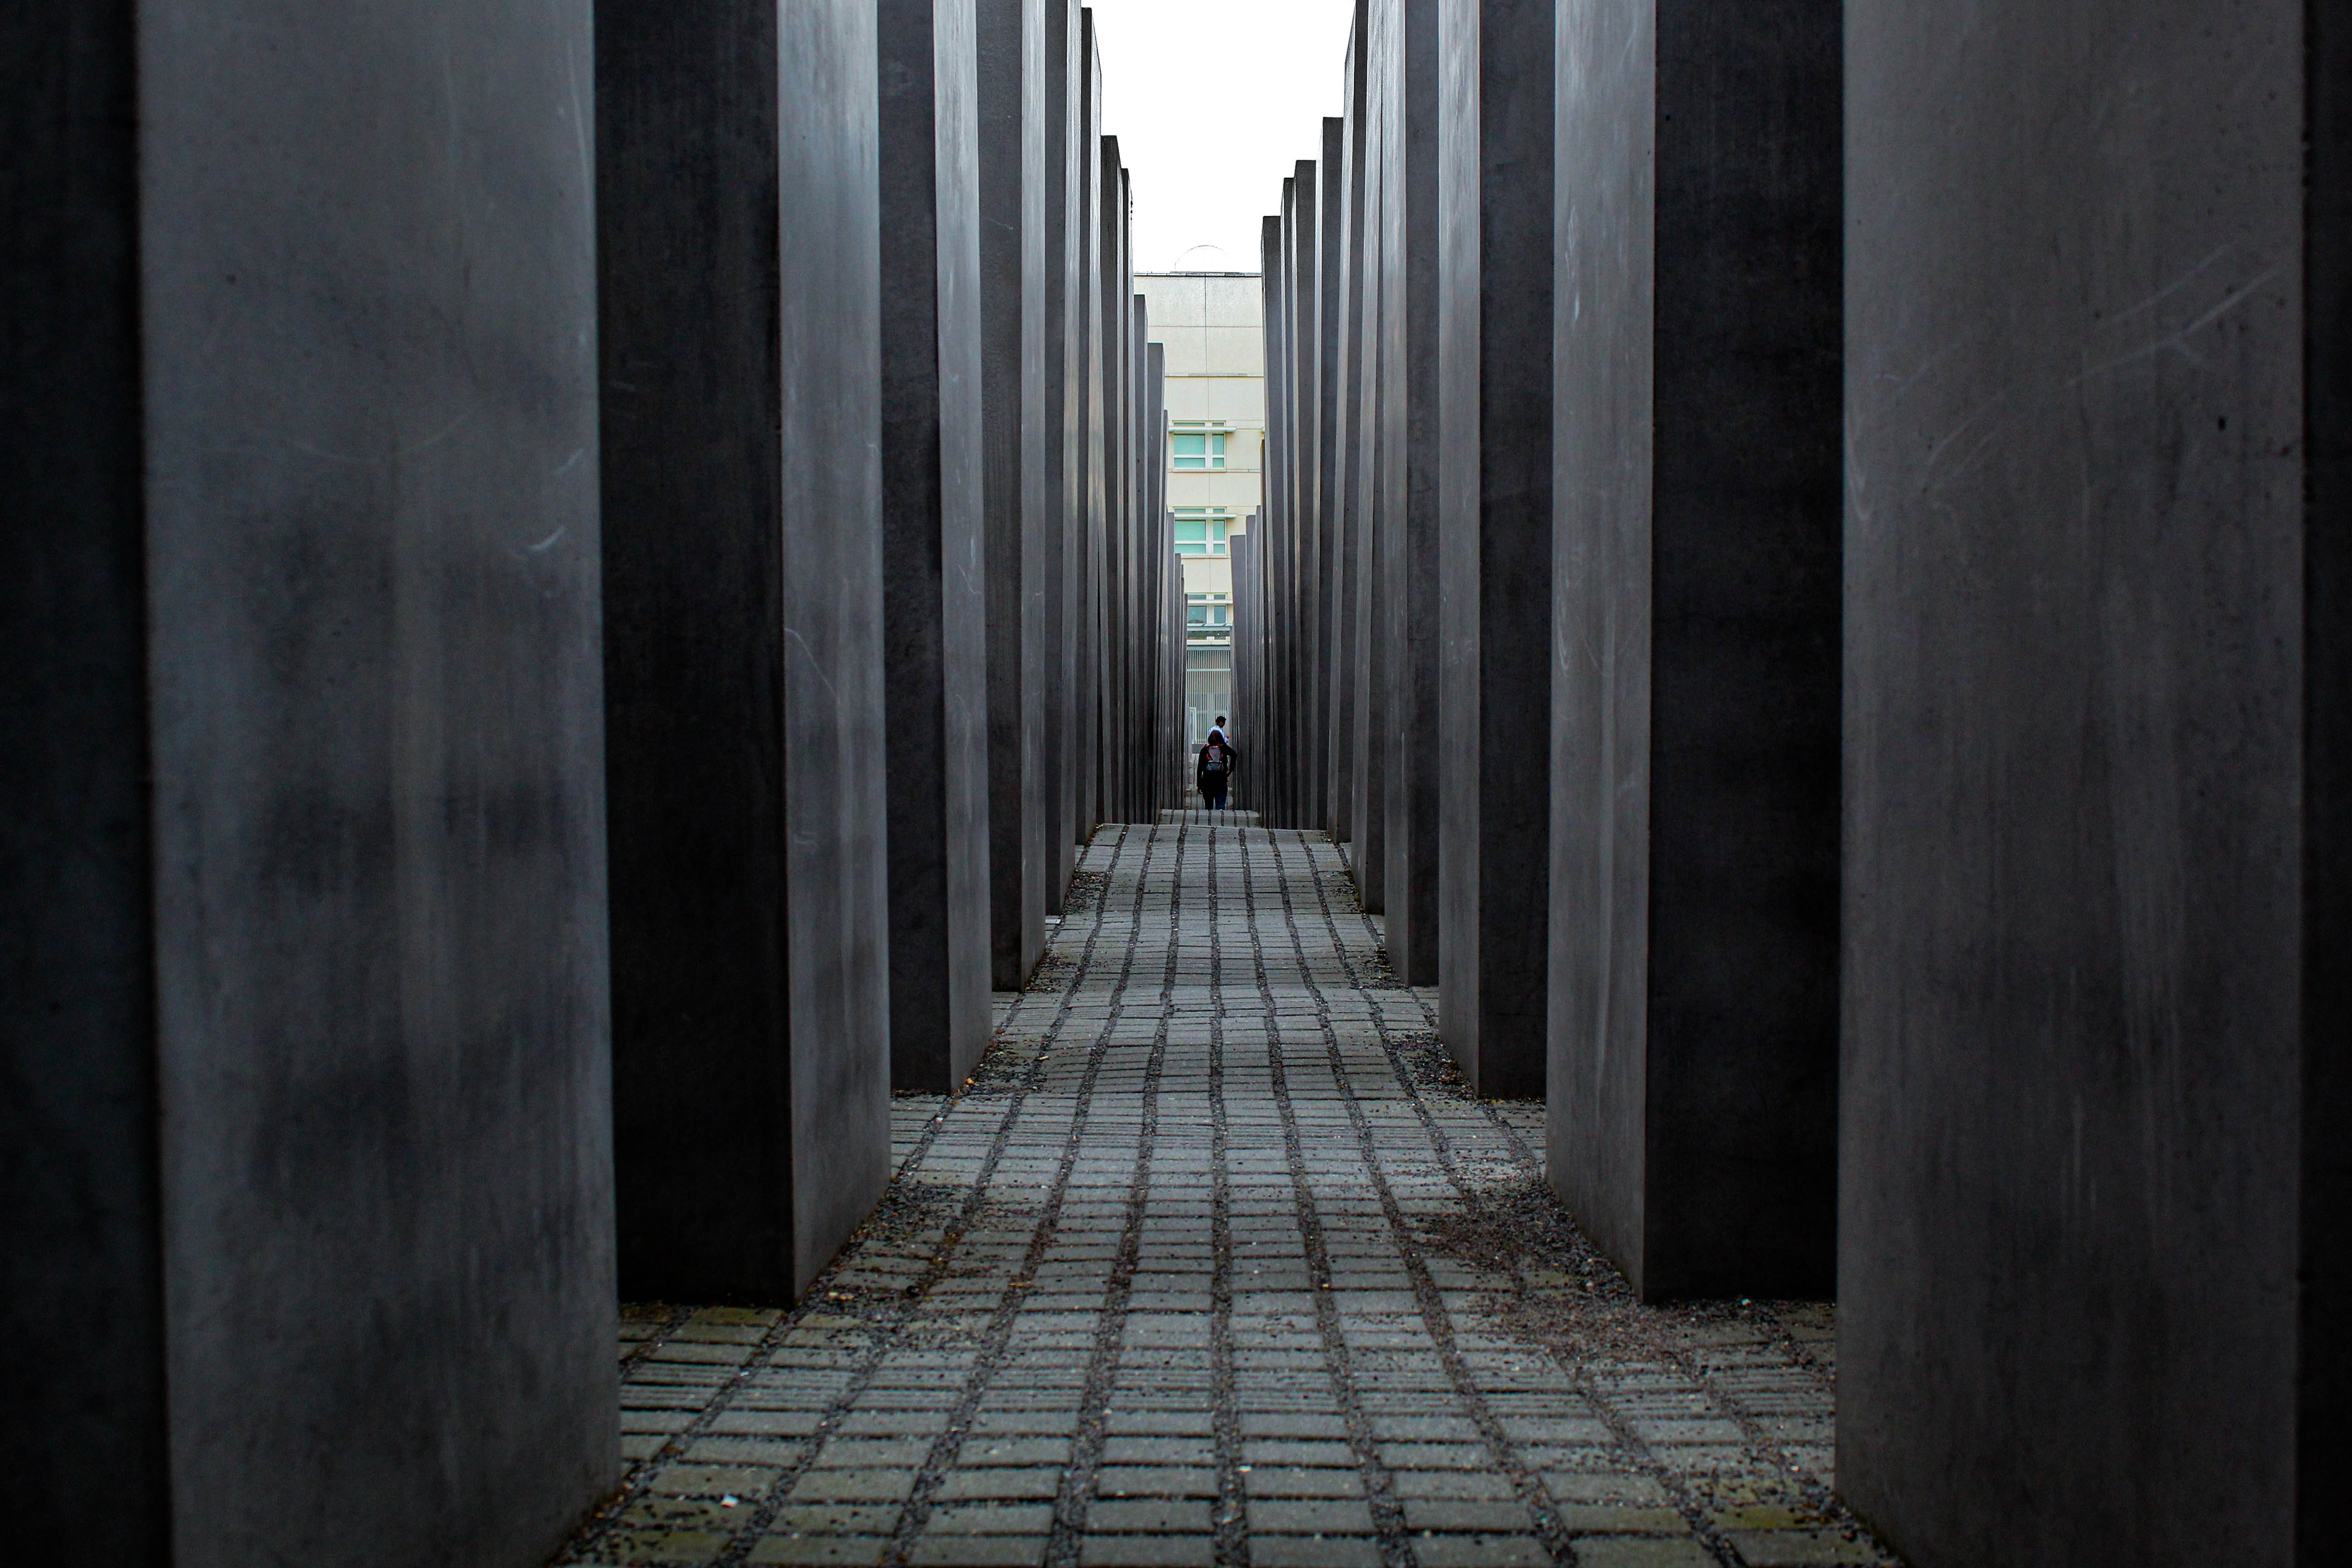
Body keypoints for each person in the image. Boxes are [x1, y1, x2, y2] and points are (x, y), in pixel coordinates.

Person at [1196, 730, 1237, 810]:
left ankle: (1210, 819)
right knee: (1221, 804)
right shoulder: (1223, 748)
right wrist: (1230, 770)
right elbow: (1234, 754)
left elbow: (1200, 768)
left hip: (1207, 780)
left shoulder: (1204, 750)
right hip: (1221, 779)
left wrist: (1199, 785)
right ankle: (1221, 818)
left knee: (1208, 805)